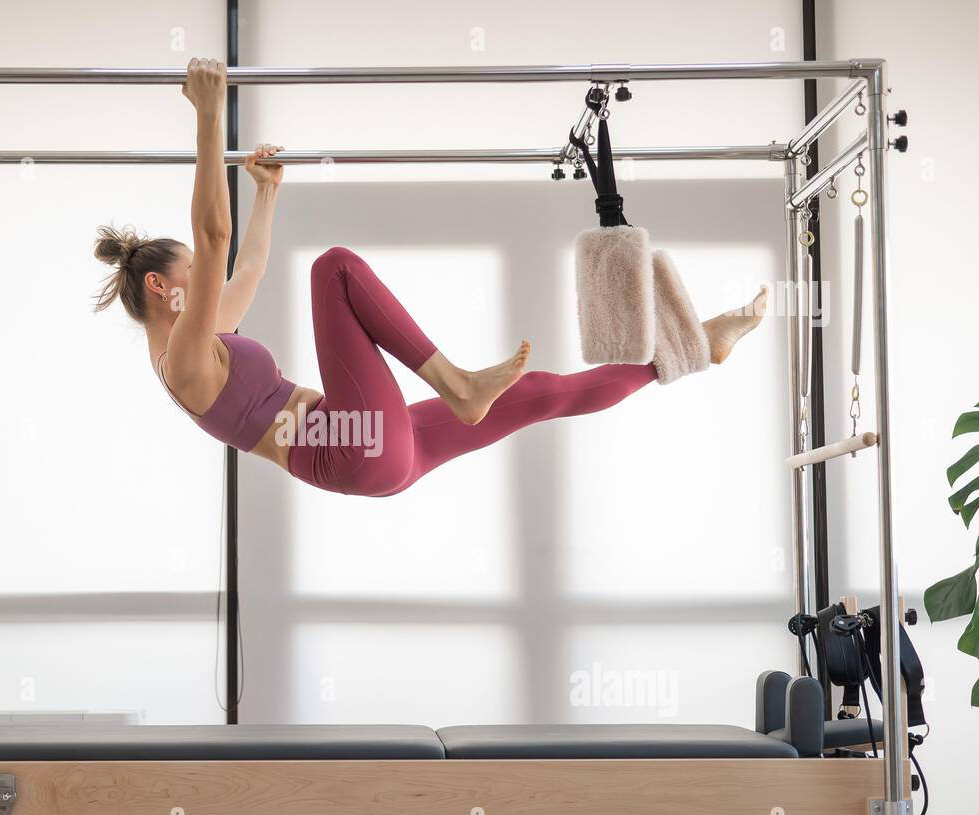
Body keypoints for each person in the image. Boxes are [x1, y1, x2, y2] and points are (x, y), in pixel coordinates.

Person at [94, 58, 767, 497]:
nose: (202, 270)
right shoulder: (182, 359)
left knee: (539, 393)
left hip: (382, 448)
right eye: (187, 266)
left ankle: (695, 349)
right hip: (351, 448)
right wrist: (209, 116)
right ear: (160, 286)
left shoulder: (204, 336)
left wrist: (266, 191)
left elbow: (246, 264)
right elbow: (216, 236)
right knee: (335, 270)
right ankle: (458, 382)